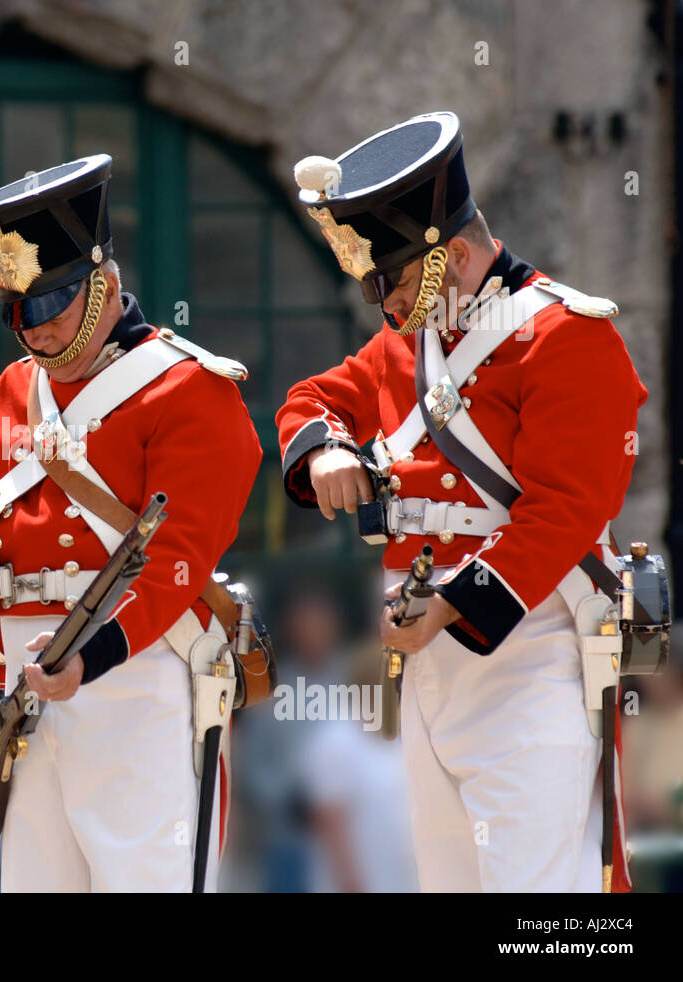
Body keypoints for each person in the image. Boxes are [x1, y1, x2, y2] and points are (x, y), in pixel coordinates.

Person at [276, 111, 648, 891]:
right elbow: (313, 397)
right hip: (426, 658)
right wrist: (327, 449)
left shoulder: (567, 337)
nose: (386, 303)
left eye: (397, 278)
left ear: (452, 252)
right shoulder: (415, 334)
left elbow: (567, 510)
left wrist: (452, 605)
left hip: (530, 648)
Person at [0, 152, 261, 891]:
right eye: (18, 312)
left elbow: (180, 556)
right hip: (23, 681)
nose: (37, 332)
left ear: (105, 286)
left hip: (134, 668)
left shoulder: (189, 389)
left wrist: (98, 651)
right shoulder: (18, 390)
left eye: (49, 306)